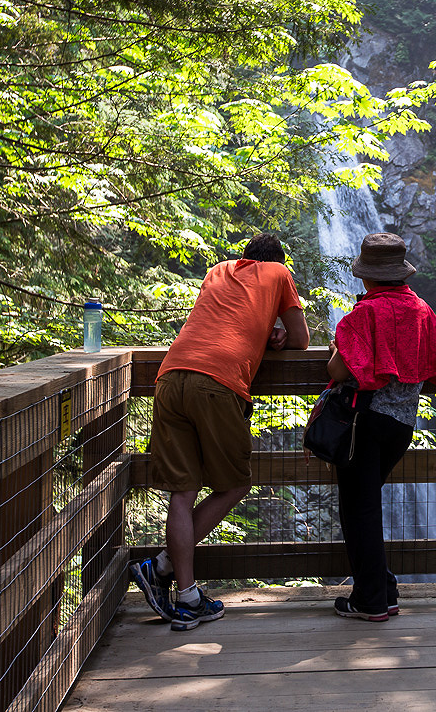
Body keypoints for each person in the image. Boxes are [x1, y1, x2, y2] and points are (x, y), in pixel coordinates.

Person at [131, 234, 310, 631]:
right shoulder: (279, 272)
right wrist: (276, 337)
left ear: (244, 259)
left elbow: (223, 319)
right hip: (218, 382)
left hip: (171, 376)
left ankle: (186, 595)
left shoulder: (218, 270)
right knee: (233, 485)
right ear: (277, 262)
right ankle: (162, 568)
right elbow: (301, 339)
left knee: (182, 490)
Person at [325, 232, 436, 622]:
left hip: (364, 422)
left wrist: (333, 351)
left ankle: (371, 601)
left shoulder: (365, 314)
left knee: (359, 511)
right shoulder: (422, 311)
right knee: (366, 507)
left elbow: (341, 370)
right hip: (402, 426)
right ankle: (385, 591)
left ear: (368, 276)